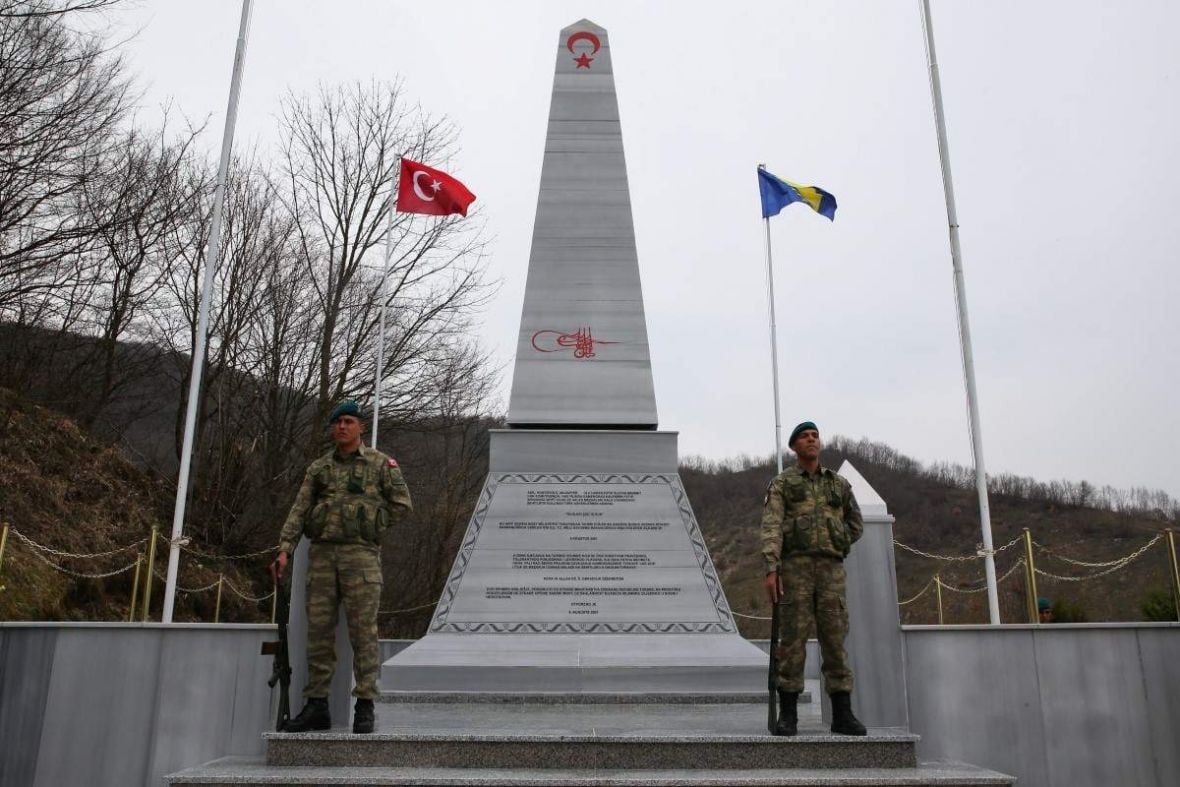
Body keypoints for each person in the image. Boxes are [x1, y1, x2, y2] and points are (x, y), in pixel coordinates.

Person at [271, 400, 412, 734]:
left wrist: (375, 524)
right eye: (338, 423)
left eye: (349, 422)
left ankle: (365, 705)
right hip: (322, 557)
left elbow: (403, 505)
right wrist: (285, 549)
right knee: (319, 633)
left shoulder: (380, 464)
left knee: (364, 633)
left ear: (360, 427)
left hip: (361, 557)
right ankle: (317, 704)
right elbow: (300, 508)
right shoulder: (320, 468)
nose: (343, 428)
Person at [760, 421, 866, 737]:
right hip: (795, 570)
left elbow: (856, 524)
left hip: (831, 571)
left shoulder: (839, 484)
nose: (811, 440)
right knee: (792, 641)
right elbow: (772, 526)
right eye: (805, 437)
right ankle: (788, 714)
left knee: (835, 641)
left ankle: (843, 714)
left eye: (815, 436)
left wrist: (838, 539)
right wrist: (771, 567)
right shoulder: (783, 483)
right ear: (794, 446)